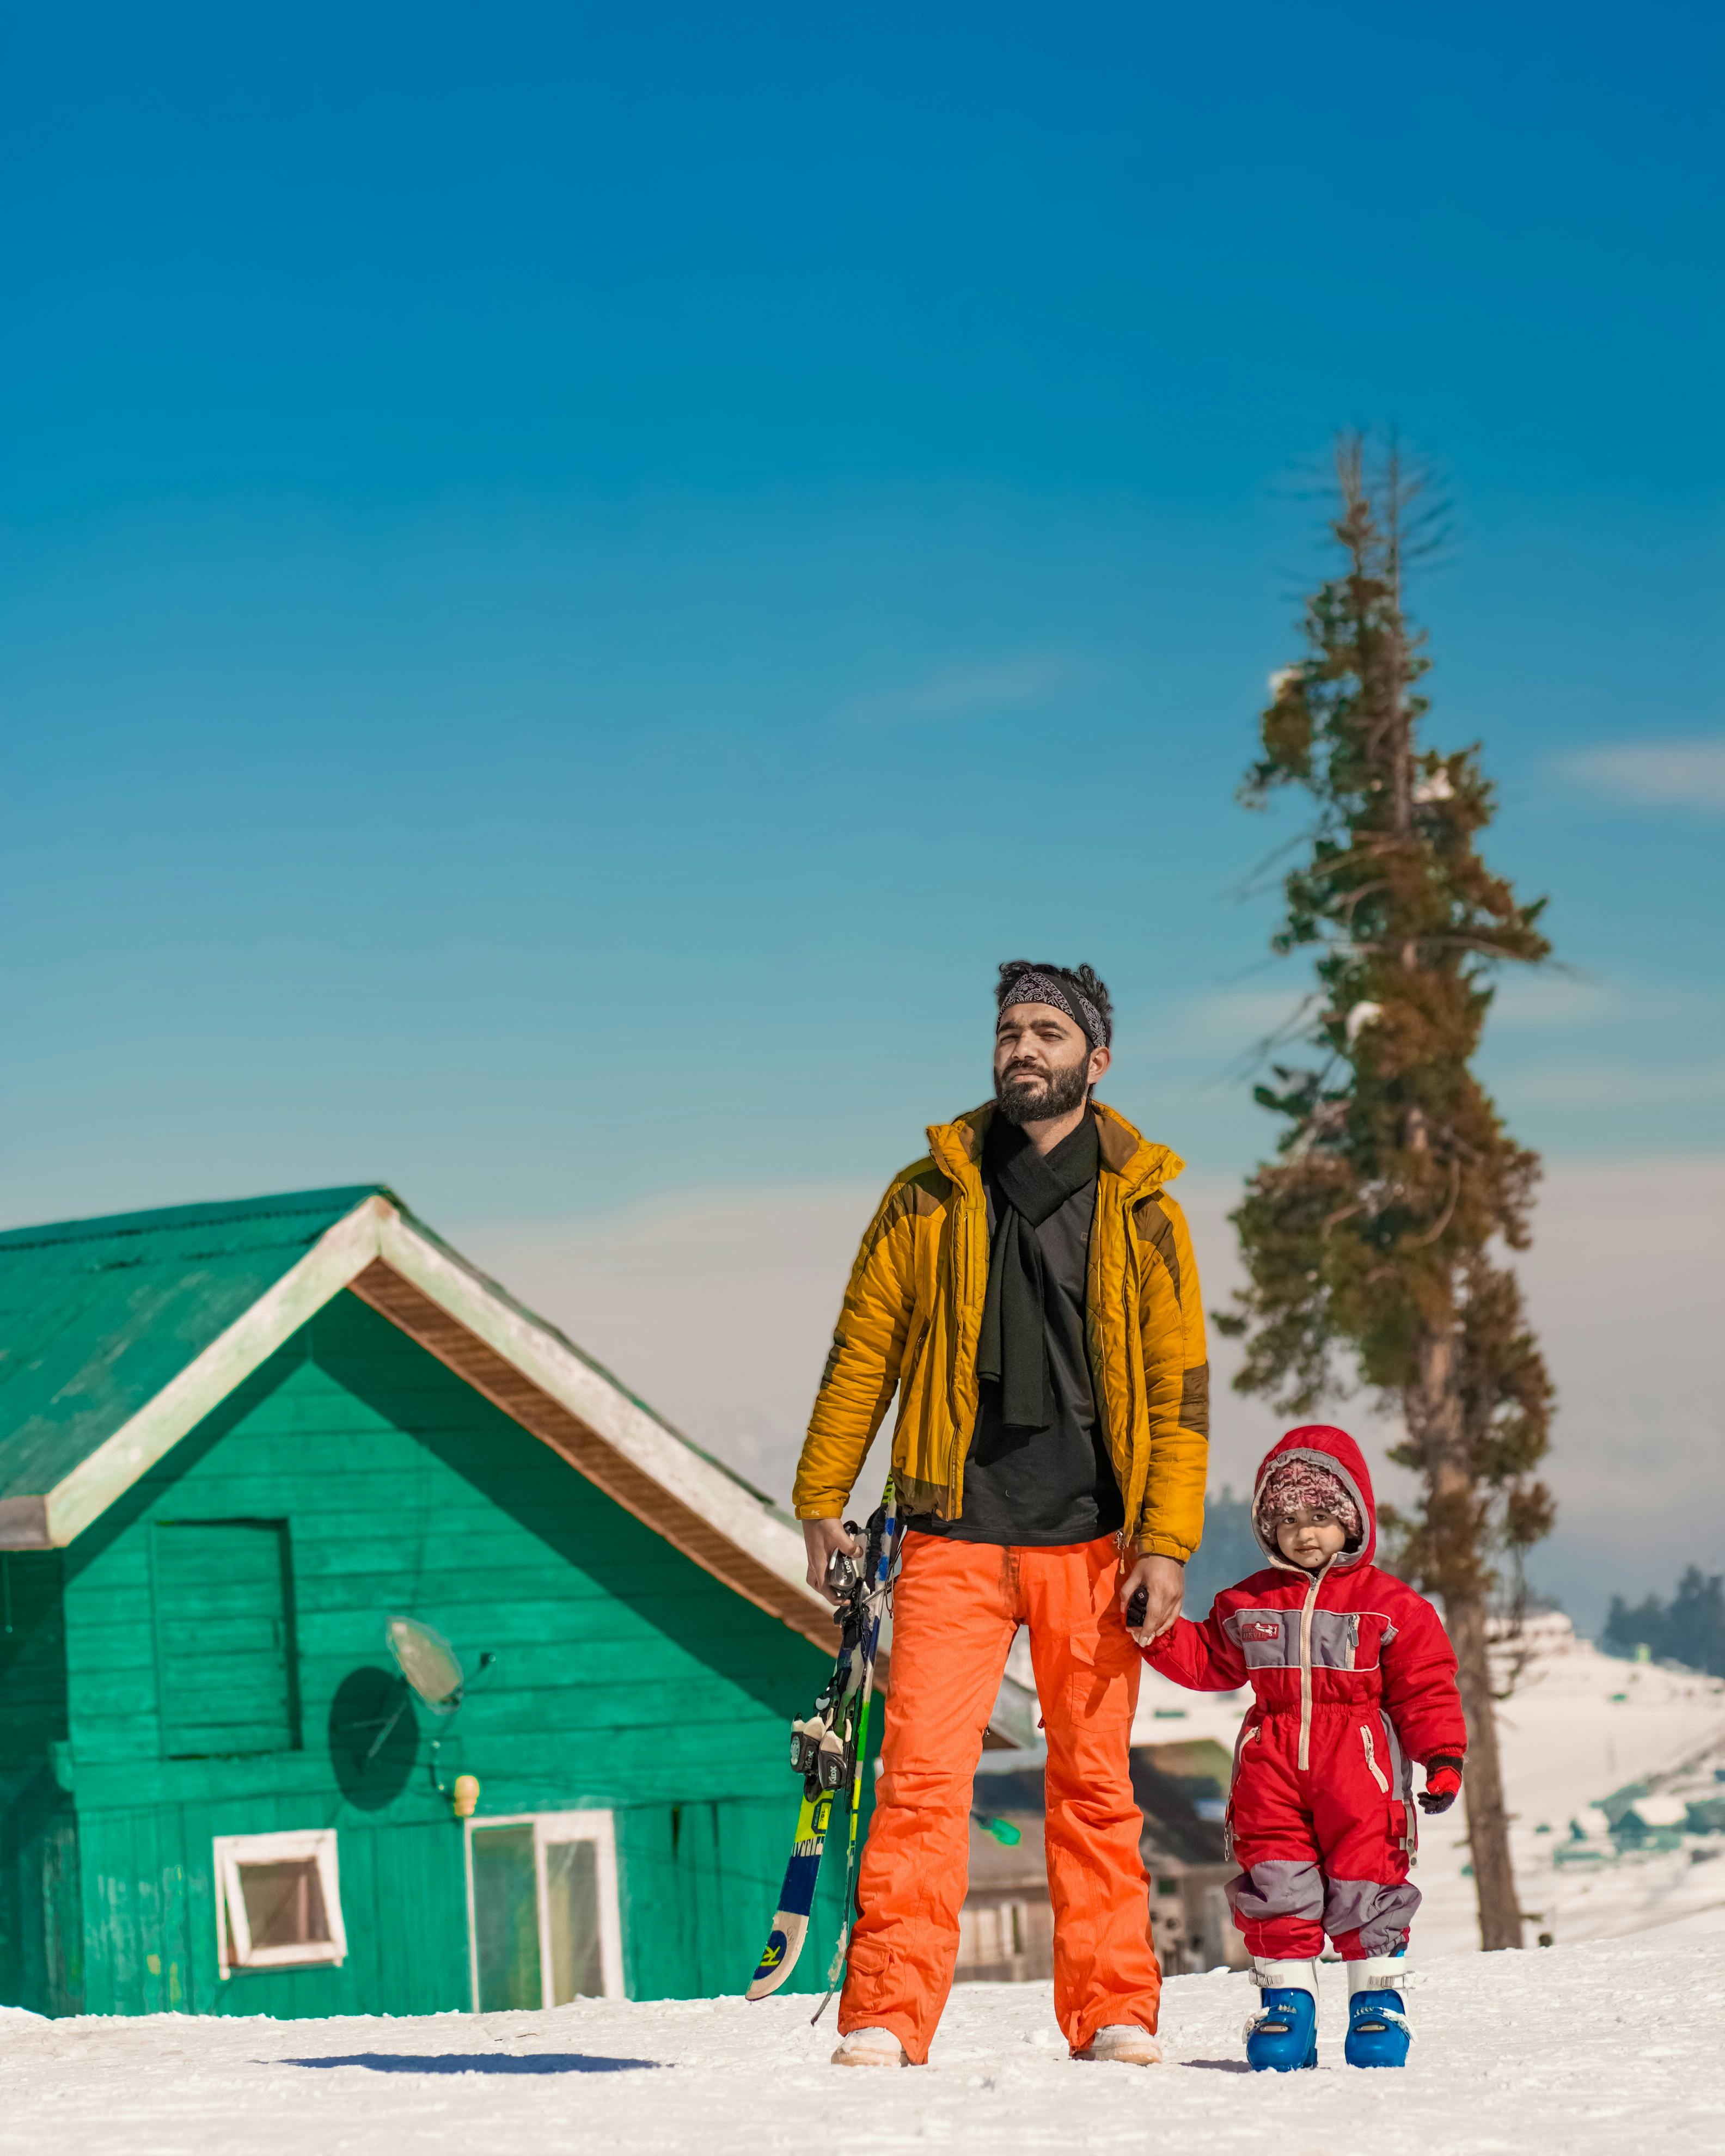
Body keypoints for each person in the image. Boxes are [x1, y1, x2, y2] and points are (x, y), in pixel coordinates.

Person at [792, 959, 1210, 2069]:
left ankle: (1114, 2009)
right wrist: (819, 1501)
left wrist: (1166, 1543)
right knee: (921, 1784)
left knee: (1095, 1789)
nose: (1024, 1048)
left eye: (1049, 1032)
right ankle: (885, 2014)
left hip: (1092, 1541)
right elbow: (861, 1354)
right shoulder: (925, 1196)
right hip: (951, 1532)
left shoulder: (1146, 1212)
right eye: (1010, 1031)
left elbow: (1179, 1395)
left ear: (1096, 1060)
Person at [1140, 1424, 1467, 2071]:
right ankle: (1286, 2003)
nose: (1304, 1531)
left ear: (1353, 1519)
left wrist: (1443, 1758)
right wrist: (1155, 1633)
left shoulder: (1390, 1607)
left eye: (1321, 1515)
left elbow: (1426, 1688)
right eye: (1286, 1518)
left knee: (1367, 1877)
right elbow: (1209, 1661)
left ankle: (1377, 2005)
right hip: (1273, 1770)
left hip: (1362, 1774)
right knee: (1277, 1881)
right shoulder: (1250, 1602)